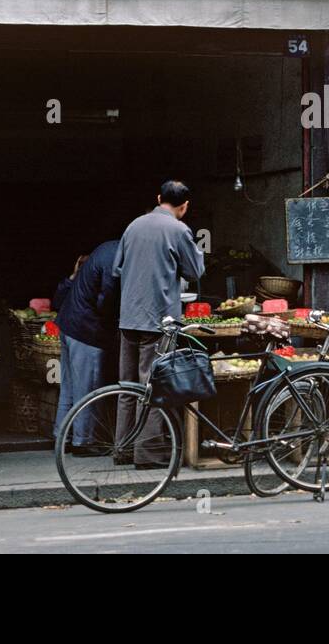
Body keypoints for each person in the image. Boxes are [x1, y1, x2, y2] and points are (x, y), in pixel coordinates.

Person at [112, 181, 205, 465]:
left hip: (129, 317)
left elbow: (117, 269)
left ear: (158, 198)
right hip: (158, 320)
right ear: (185, 206)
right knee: (153, 385)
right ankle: (148, 452)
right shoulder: (178, 230)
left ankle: (123, 447)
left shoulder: (133, 226)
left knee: (127, 386)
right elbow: (196, 270)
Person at [54, 239, 121, 453]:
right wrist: (112, 321)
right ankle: (84, 442)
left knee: (69, 387)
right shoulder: (115, 257)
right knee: (87, 388)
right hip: (86, 329)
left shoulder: (105, 248)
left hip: (69, 325)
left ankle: (62, 437)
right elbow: (106, 299)